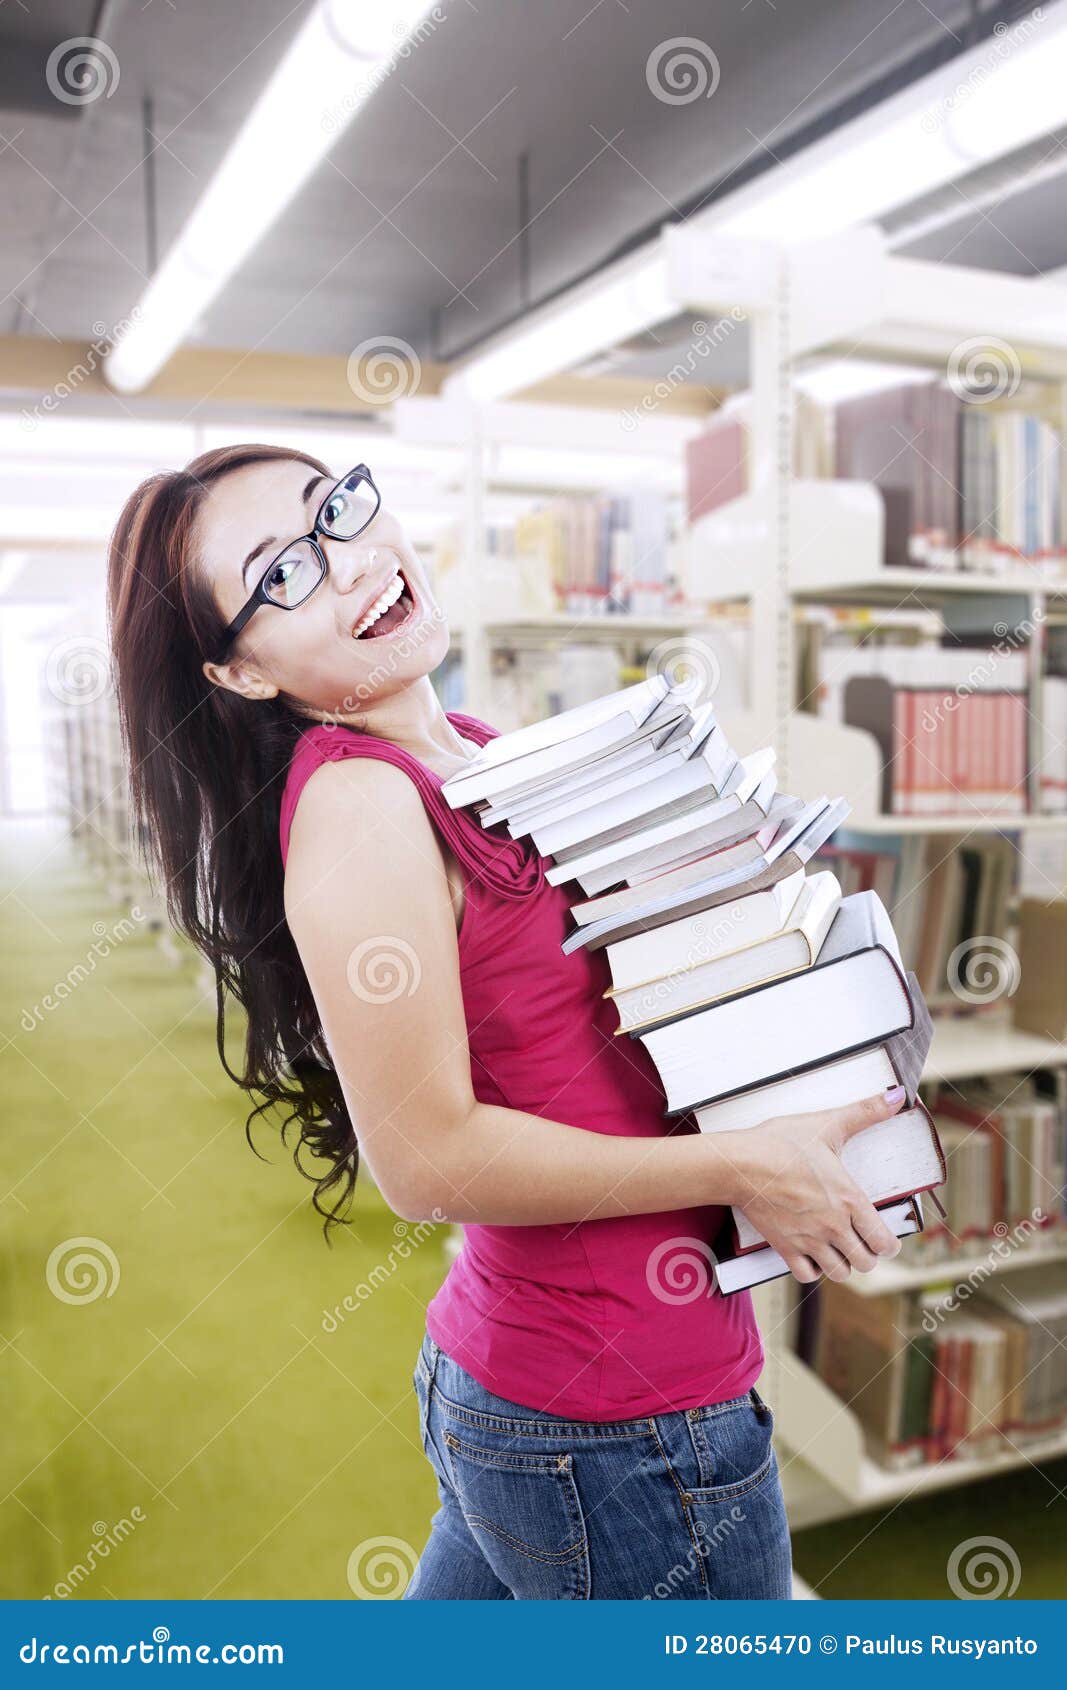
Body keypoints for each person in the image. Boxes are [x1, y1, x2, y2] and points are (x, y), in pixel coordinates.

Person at [107, 443, 904, 1601]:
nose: (347, 562)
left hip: (548, 1394)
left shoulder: (472, 749)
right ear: (238, 675)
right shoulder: (362, 806)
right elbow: (424, 1159)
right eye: (282, 572)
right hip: (615, 1421)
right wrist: (745, 1164)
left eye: (336, 509)